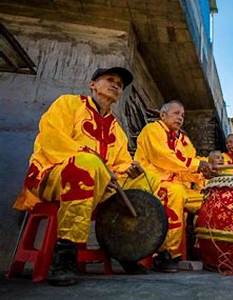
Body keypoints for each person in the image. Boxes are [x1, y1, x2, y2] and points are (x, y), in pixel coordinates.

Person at [13, 67, 161, 286]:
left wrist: (128, 168)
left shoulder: (116, 129)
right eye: (110, 80)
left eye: (119, 85)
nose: (115, 86)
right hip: (55, 177)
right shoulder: (68, 104)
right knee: (86, 165)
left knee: (148, 178)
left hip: (99, 183)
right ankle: (64, 255)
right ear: (93, 84)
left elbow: (118, 164)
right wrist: (95, 161)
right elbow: (51, 139)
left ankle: (125, 249)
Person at [134, 100, 215, 272]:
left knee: (211, 200)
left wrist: (202, 172)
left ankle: (209, 251)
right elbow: (163, 158)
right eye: (176, 113)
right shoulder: (152, 130)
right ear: (163, 115)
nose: (180, 118)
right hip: (152, 182)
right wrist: (197, 166)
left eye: (183, 115)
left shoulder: (183, 139)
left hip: (178, 185)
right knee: (175, 193)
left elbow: (188, 166)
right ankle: (165, 254)